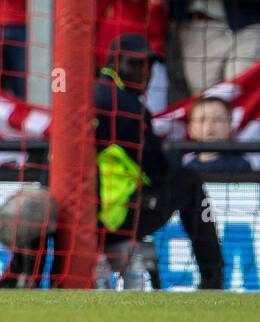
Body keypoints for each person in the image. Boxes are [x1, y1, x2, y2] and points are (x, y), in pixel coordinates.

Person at [93, 35, 223, 289]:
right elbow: (157, 170)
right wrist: (173, 158)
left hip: (73, 216)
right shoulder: (128, 107)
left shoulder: (85, 94)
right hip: (112, 221)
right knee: (190, 182)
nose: (146, 73)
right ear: (116, 63)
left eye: (150, 66)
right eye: (138, 64)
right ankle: (213, 280)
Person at [182, 96, 255, 173]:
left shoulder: (241, 165)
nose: (210, 124)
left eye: (218, 119)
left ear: (230, 127)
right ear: (191, 129)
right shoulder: (185, 167)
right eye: (202, 119)